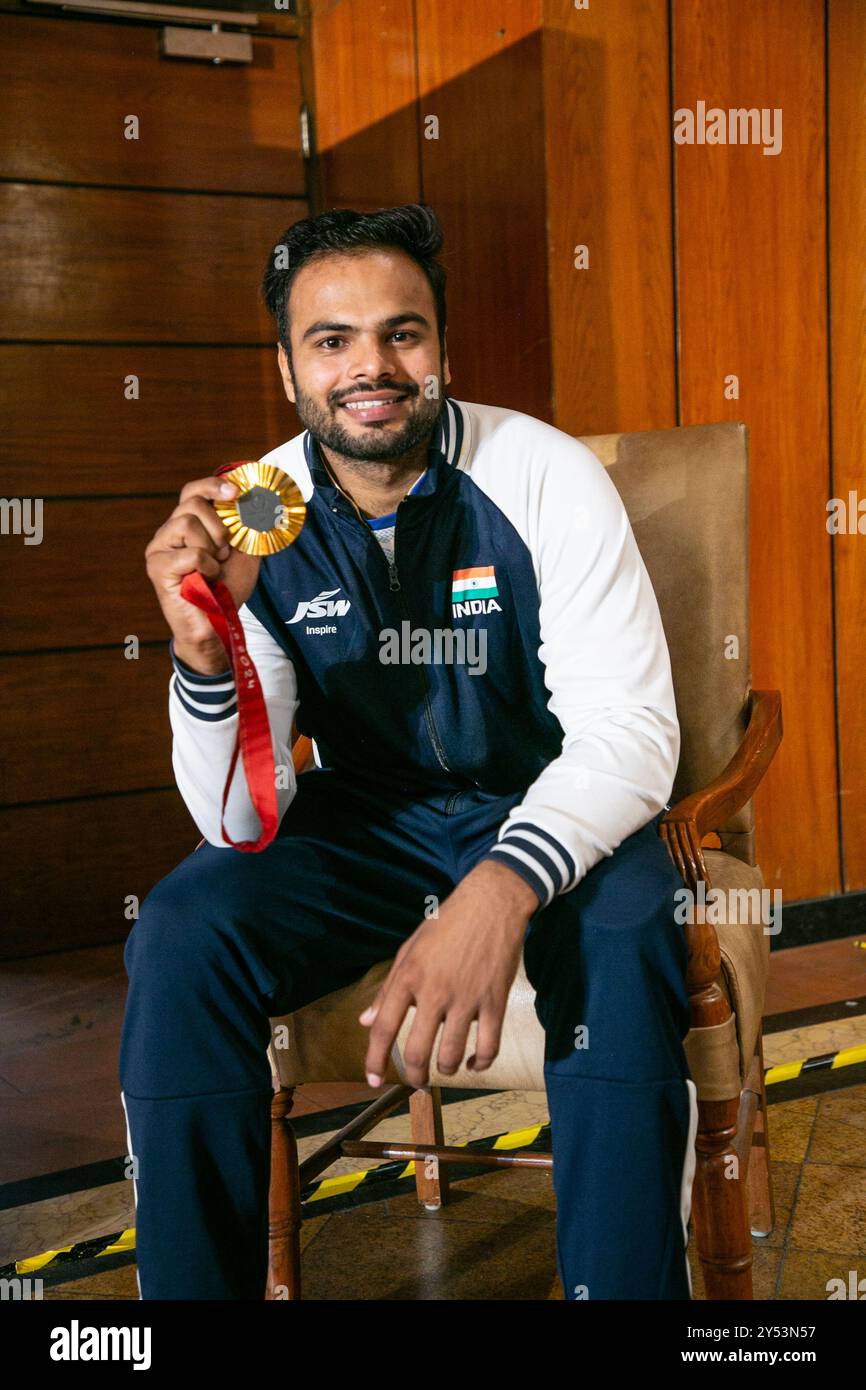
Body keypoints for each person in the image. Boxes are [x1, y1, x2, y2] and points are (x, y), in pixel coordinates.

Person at [121, 203, 697, 1301]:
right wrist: (206, 655)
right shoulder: (256, 515)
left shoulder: (541, 471)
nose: (370, 367)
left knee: (630, 928)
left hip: (550, 803)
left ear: (441, 347)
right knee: (184, 933)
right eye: (331, 340)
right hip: (364, 819)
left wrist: (498, 889)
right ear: (286, 362)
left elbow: (629, 731)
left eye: (402, 332)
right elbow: (241, 820)